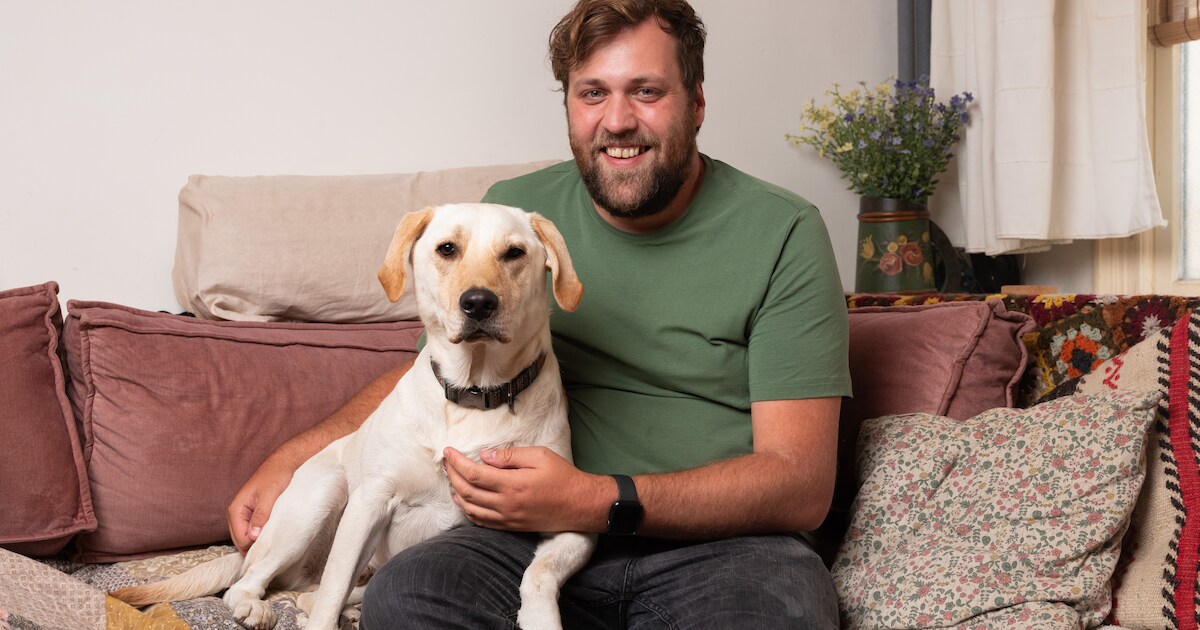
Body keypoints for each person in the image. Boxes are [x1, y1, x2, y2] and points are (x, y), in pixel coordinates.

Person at [228, 0, 852, 627]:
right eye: (592, 94)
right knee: (408, 598)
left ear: (697, 103)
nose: (618, 120)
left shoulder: (782, 231)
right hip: (517, 540)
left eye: (647, 91)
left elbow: (799, 484)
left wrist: (595, 499)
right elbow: (436, 380)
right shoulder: (508, 215)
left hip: (724, 552)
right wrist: (299, 456)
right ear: (569, 109)